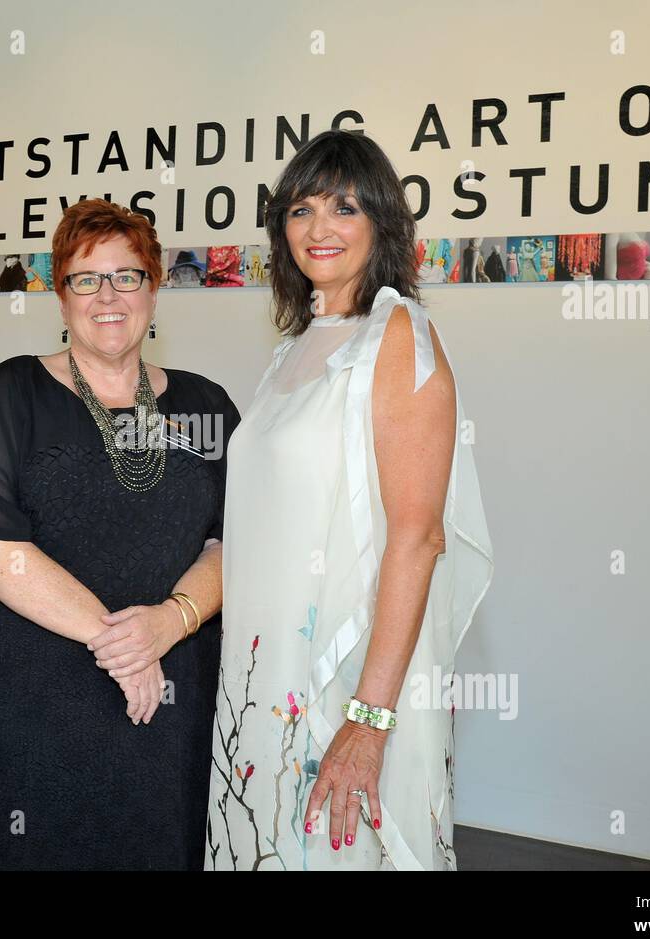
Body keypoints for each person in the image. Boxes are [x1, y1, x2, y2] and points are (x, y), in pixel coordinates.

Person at [0, 199, 241, 870]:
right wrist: (123, 644)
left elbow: (236, 541)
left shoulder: (207, 405)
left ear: (154, 288)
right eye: (86, 279)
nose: (108, 296)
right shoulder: (12, 390)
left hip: (162, 712)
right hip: (16, 707)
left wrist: (168, 625)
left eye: (128, 275)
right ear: (60, 297)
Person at [206, 129, 494, 871]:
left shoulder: (397, 334)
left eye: (344, 207)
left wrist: (368, 721)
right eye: (301, 210)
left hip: (348, 686)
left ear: (382, 224)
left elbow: (418, 538)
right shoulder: (291, 350)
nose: (320, 228)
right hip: (262, 685)